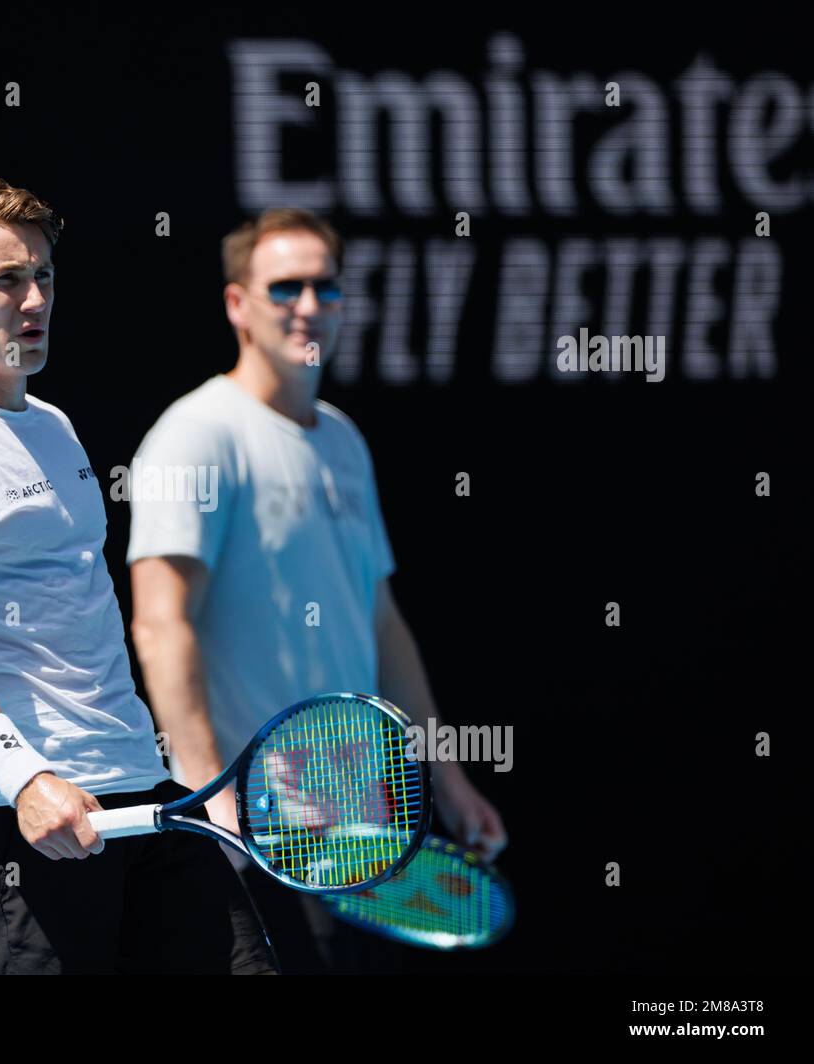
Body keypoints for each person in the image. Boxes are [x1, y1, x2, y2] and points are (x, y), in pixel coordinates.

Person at [0, 175, 276, 974]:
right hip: (21, 819)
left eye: (44, 275)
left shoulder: (53, 424)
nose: (34, 299)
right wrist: (28, 780)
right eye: (7, 279)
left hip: (143, 793)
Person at [126, 207, 508, 973]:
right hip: (259, 832)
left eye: (325, 287)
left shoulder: (342, 438)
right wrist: (210, 795)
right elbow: (161, 622)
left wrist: (449, 774)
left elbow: (381, 622)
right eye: (285, 286)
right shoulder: (196, 435)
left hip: (363, 820)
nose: (308, 305)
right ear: (238, 305)